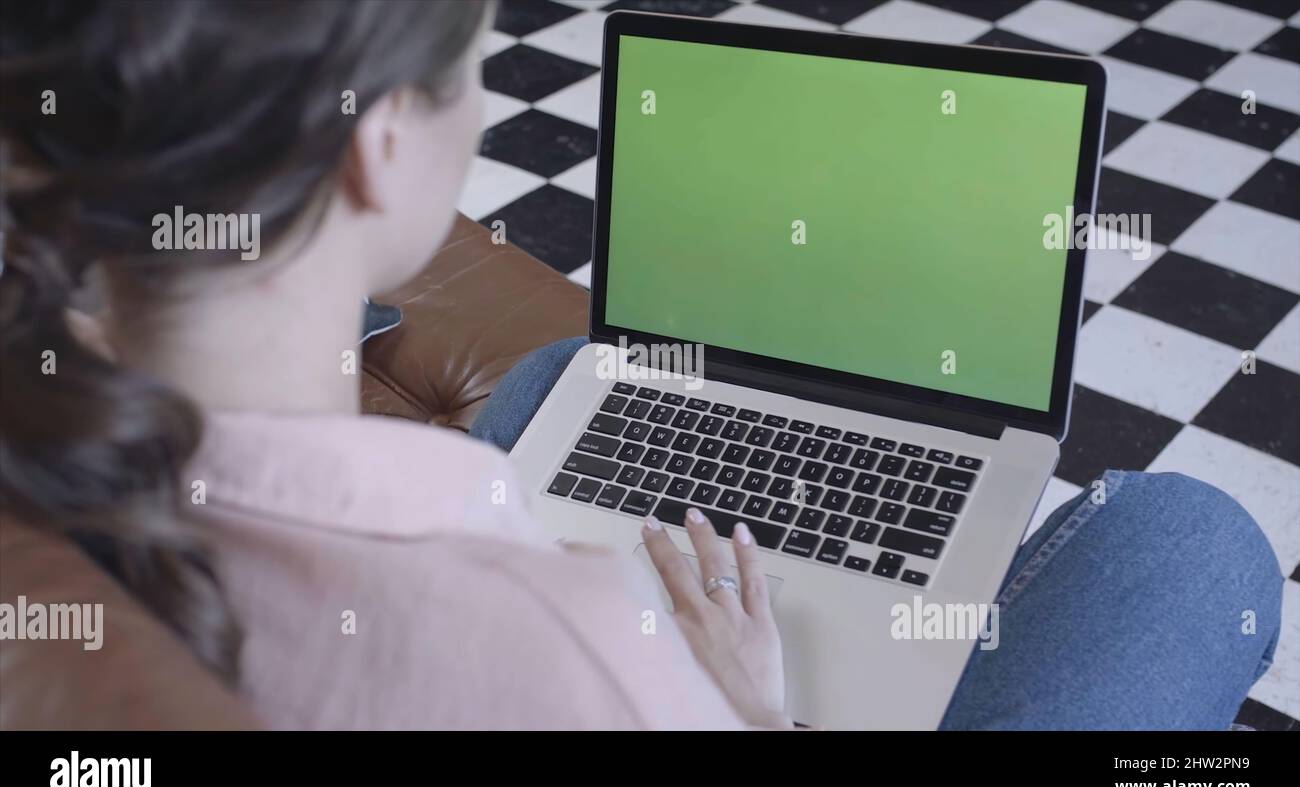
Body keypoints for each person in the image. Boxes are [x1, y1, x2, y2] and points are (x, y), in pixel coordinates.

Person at [0, 0, 1282, 730]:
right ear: (378, 143)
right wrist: (744, 711)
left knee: (575, 373)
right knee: (1186, 536)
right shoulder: (586, 661)